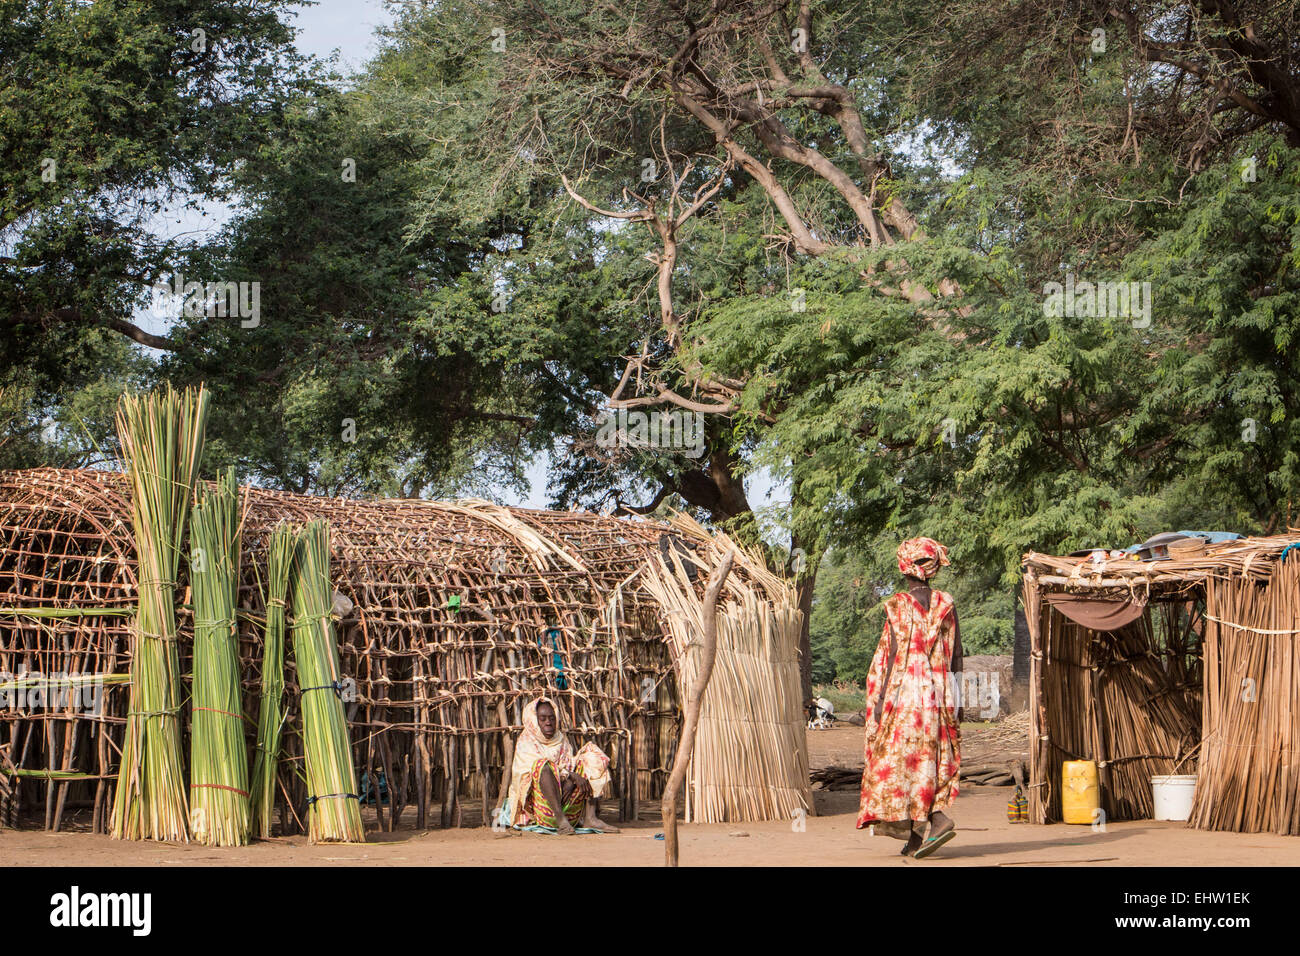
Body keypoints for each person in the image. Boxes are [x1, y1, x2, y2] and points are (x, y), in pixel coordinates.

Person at [856, 536, 964, 858]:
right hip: (937, 700)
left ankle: (938, 818)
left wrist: (878, 704)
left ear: (905, 567)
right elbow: (957, 656)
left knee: (896, 764)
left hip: (904, 699)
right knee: (928, 763)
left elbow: (890, 659)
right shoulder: (947, 604)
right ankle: (916, 839)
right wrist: (958, 701)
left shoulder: (898, 606)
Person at [503, 696, 619, 834]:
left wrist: (570, 779)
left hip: (572, 811)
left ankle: (590, 817)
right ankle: (561, 822)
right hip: (544, 813)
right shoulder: (526, 744)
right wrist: (569, 775)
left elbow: (570, 765)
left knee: (591, 754)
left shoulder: (560, 739)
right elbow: (527, 780)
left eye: (552, 718)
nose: (548, 723)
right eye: (543, 719)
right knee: (542, 765)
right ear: (534, 720)